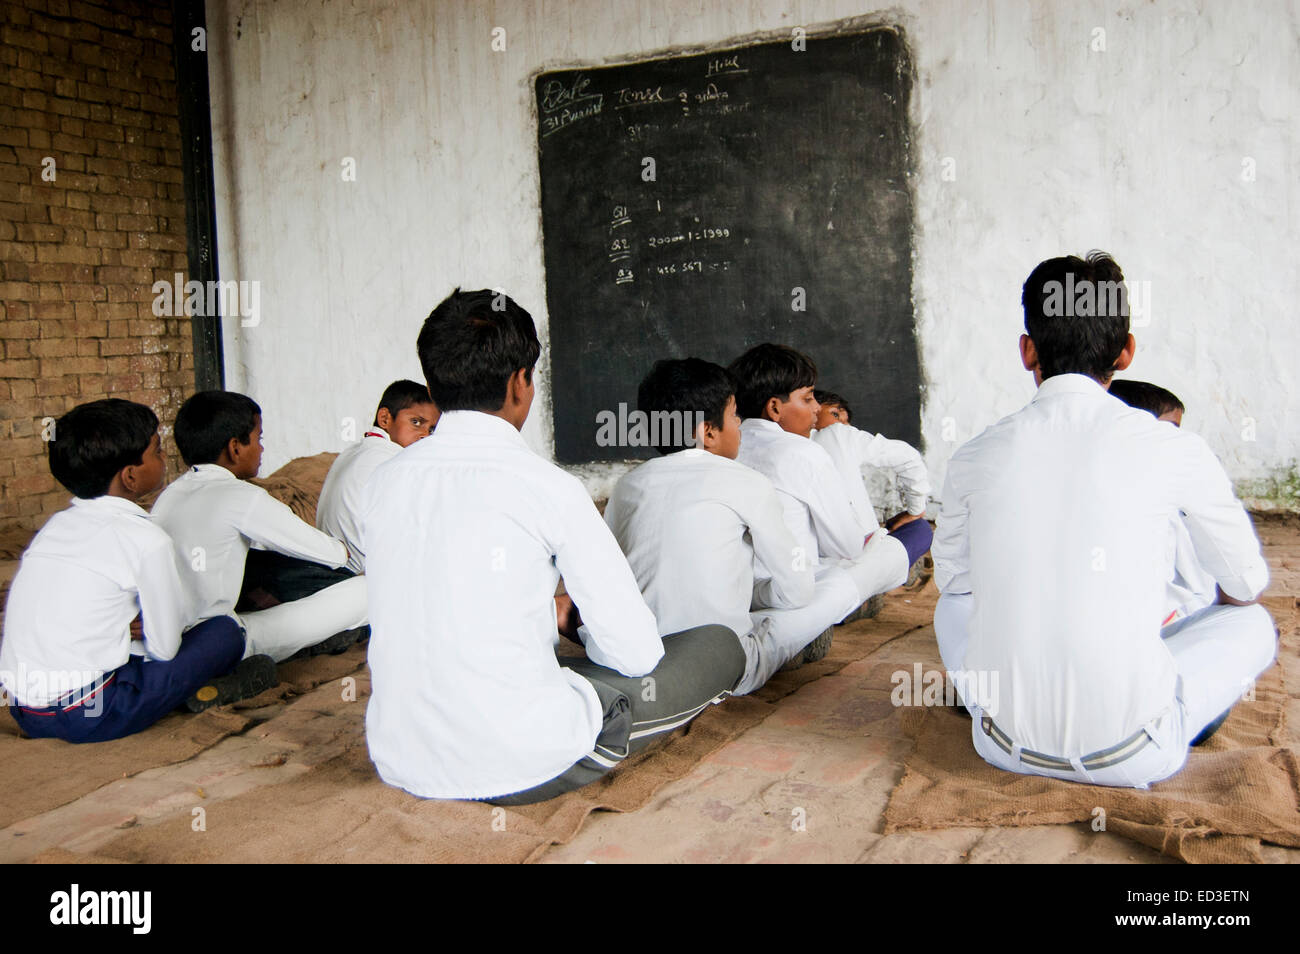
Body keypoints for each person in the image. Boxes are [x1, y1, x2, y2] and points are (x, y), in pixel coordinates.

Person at [363, 289, 745, 805]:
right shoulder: (546, 485)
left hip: (400, 757)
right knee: (718, 645)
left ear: (432, 383)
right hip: (524, 763)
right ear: (522, 383)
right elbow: (636, 654)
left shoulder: (384, 481)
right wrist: (579, 627)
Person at [932, 251, 1275, 788]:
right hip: (1135, 753)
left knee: (954, 603)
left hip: (999, 743)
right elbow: (1245, 584)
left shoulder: (974, 455)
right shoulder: (1173, 448)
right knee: (1253, 622)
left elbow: (956, 585)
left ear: (1027, 351)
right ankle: (1178, 706)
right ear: (1127, 352)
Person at [0, 399, 275, 742]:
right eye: (157, 451)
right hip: (93, 715)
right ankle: (215, 684)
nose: (164, 459)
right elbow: (164, 650)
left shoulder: (54, 528)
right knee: (225, 632)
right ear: (130, 476)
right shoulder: (146, 538)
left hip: (26, 711)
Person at [604, 358, 858, 694]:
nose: (739, 424)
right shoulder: (746, 481)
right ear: (708, 433)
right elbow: (797, 591)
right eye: (734, 414)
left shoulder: (627, 486)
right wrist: (758, 594)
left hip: (640, 656)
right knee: (836, 585)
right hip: (723, 669)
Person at [151, 391, 369, 662]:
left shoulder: (170, 495)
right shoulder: (240, 496)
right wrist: (343, 550)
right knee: (366, 593)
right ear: (235, 448)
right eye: (259, 439)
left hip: (164, 635)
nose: (262, 449)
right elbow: (330, 554)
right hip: (220, 640)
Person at [728, 344, 910, 620]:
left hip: (736, 591)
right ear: (774, 408)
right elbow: (847, 547)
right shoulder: (804, 452)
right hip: (791, 590)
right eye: (808, 398)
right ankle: (838, 609)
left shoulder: (725, 448)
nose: (816, 409)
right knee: (912, 537)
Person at [1108, 379, 1217, 623]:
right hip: (1159, 628)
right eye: (1170, 431)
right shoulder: (1169, 503)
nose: (1176, 441)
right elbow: (1206, 590)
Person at [316, 379, 438, 573]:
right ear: (385, 419)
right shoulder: (392, 462)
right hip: (356, 579)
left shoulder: (353, 452)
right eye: (416, 422)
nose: (425, 435)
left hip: (331, 571)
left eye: (432, 430)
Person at [811, 389, 933, 570]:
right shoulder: (838, 435)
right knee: (920, 529)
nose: (842, 425)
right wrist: (915, 511)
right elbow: (908, 457)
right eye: (835, 414)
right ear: (812, 408)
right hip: (860, 557)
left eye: (846, 423)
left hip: (814, 564)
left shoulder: (781, 446)